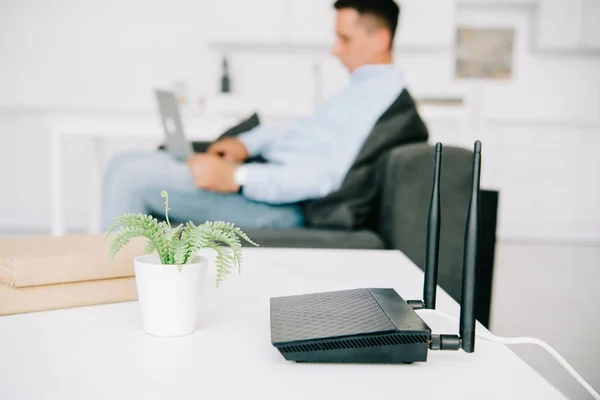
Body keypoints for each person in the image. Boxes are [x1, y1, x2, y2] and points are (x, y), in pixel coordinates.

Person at [102, 0, 405, 230]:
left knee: (131, 178)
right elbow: (300, 132)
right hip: (267, 181)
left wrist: (237, 176)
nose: (335, 50)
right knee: (123, 161)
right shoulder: (358, 93)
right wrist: (247, 143)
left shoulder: (378, 102)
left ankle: (110, 290)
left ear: (380, 39)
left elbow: (323, 177)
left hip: (287, 205)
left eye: (345, 39)